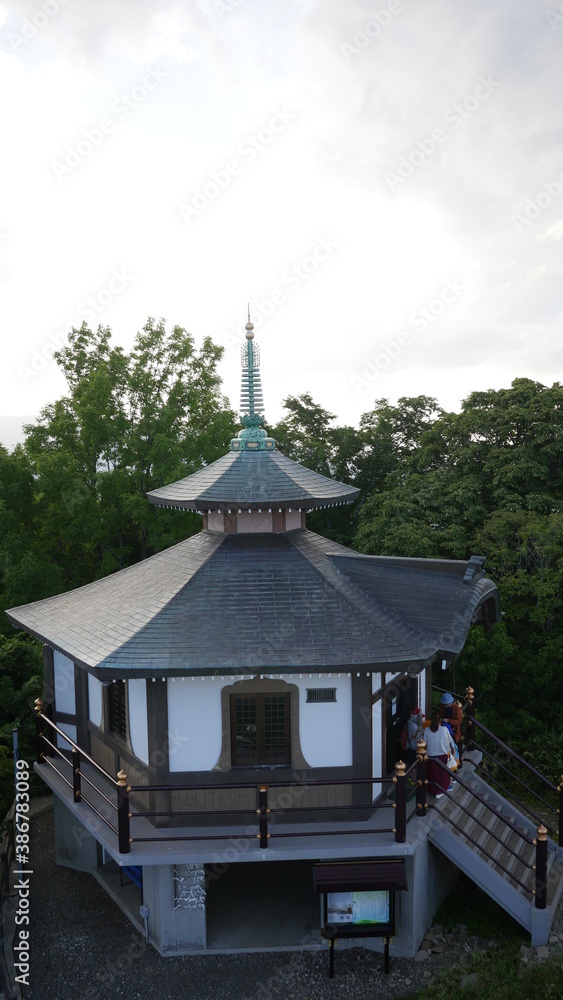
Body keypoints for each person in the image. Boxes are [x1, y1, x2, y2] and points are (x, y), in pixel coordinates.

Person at [424, 710, 457, 797]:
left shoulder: (427, 730)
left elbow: (424, 743)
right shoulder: (444, 730)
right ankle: (441, 789)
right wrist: (453, 751)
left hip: (431, 756)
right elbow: (451, 741)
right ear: (440, 721)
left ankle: (433, 789)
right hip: (443, 756)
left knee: (433, 774)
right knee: (442, 774)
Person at [439, 692, 463, 769]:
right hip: (445, 729)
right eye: (444, 704)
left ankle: (457, 765)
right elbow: (440, 716)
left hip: (454, 731)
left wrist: (448, 721)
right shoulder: (443, 707)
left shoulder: (456, 709)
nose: (446, 706)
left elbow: (459, 721)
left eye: (447, 704)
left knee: (456, 748)